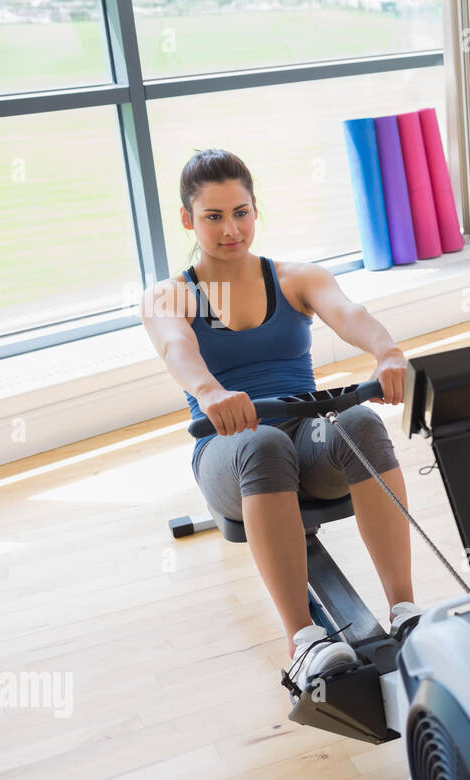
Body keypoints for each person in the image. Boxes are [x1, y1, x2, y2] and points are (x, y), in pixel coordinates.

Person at [140, 149, 421, 691]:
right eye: (213, 217)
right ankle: (303, 641)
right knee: (263, 444)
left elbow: (349, 315)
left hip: (305, 436)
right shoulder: (170, 296)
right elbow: (177, 348)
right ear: (186, 220)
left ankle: (405, 610)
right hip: (228, 446)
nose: (231, 229)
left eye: (241, 212)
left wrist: (387, 354)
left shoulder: (295, 277)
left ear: (255, 211)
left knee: (359, 423)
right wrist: (210, 391)